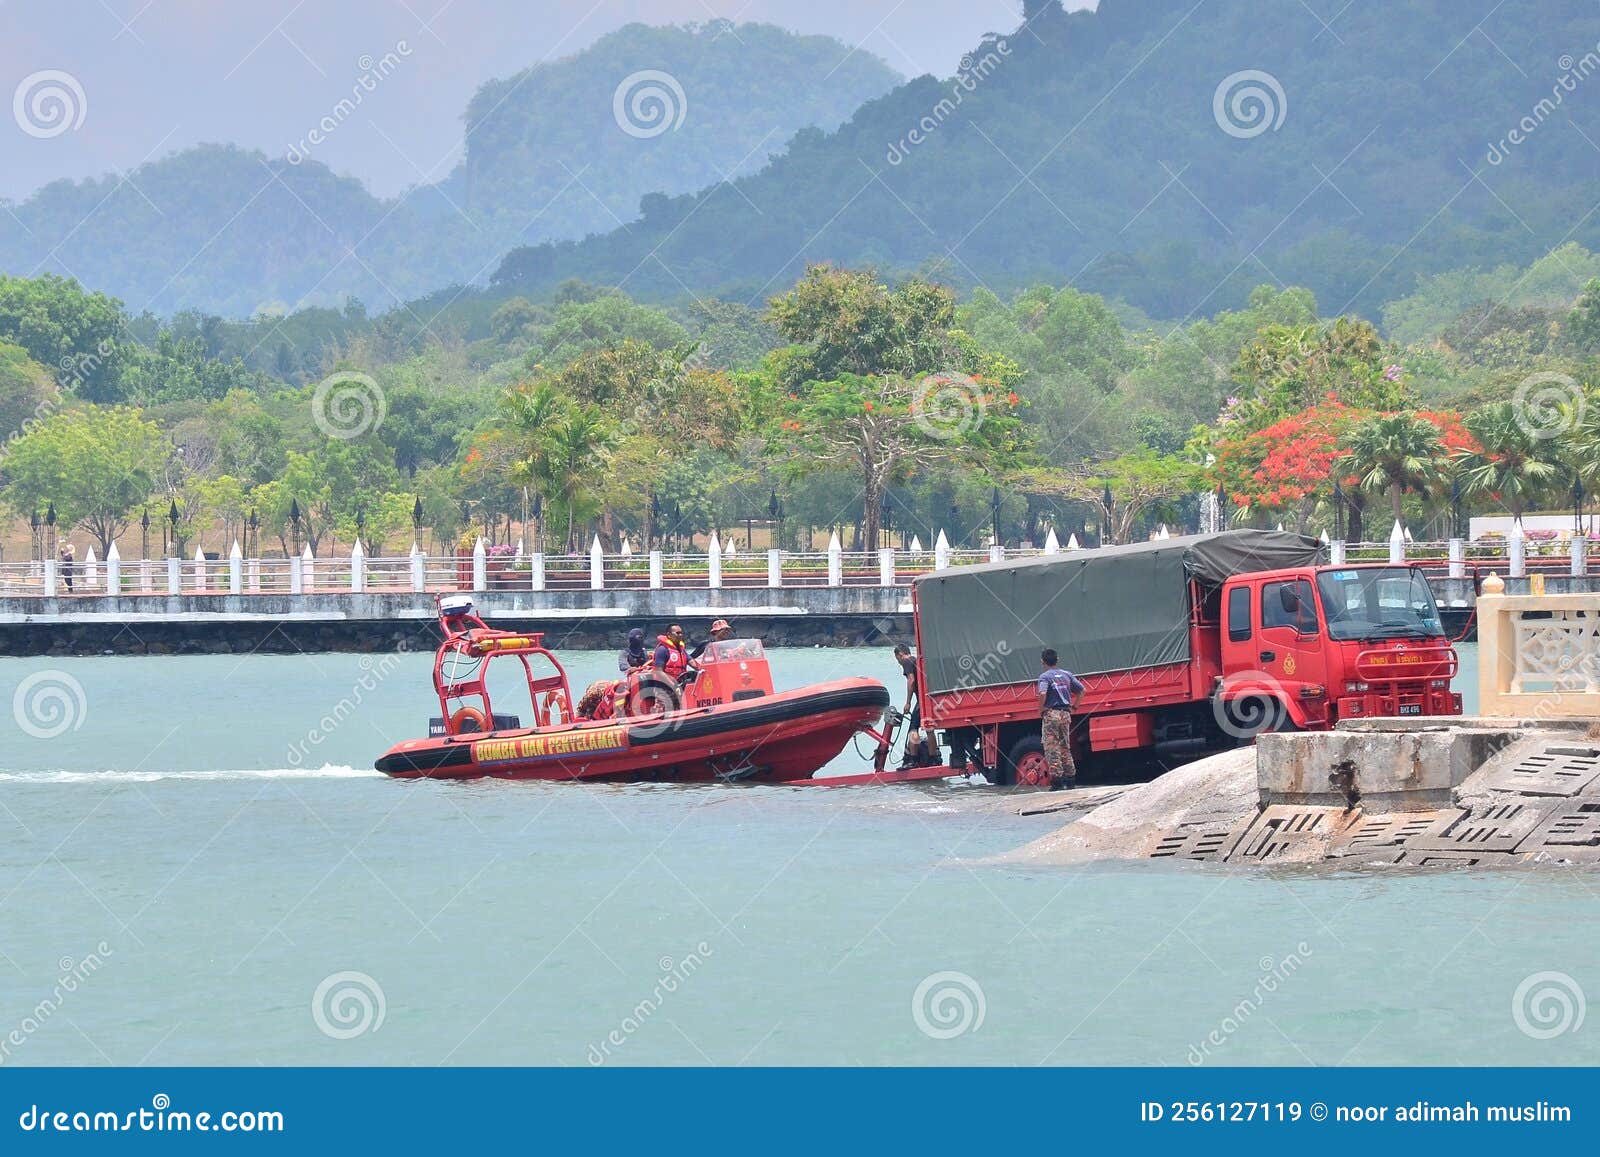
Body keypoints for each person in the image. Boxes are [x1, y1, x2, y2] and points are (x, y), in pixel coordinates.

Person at [1036, 648, 1086, 791]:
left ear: (1042, 661)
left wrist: (1041, 709)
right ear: (1057, 660)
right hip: (1066, 713)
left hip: (1052, 714)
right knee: (1065, 747)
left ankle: (1057, 782)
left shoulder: (1044, 677)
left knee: (1052, 748)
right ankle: (1071, 780)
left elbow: (1043, 693)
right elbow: (1082, 690)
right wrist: (1075, 707)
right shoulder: (1067, 675)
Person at [893, 643, 937, 768]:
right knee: (929, 729)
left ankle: (912, 760)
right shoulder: (917, 661)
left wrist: (908, 702)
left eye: (897, 659)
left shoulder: (907, 662)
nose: (898, 662)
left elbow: (911, 681)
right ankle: (933, 759)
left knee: (913, 728)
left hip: (921, 701)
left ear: (900, 655)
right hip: (929, 699)